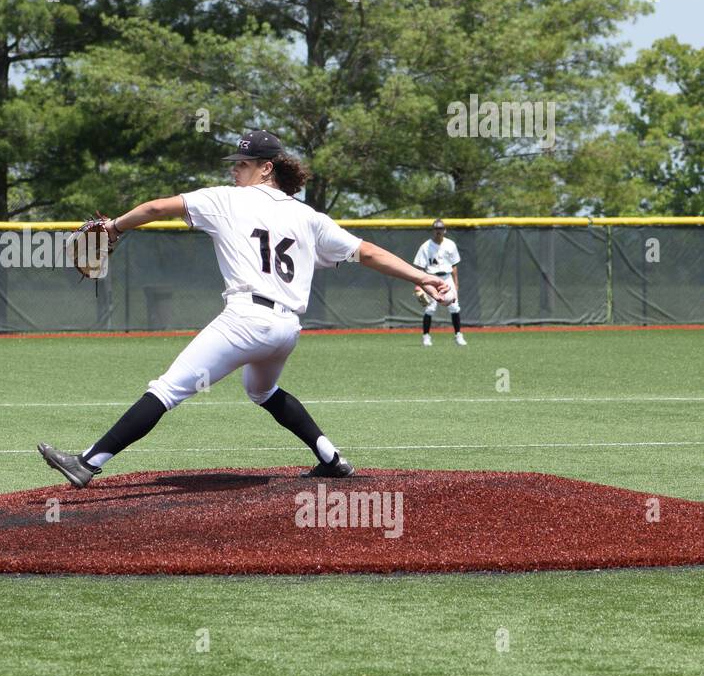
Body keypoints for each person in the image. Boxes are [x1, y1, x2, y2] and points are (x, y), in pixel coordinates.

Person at [37, 129, 452, 486]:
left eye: (243, 163)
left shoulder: (226, 200)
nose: (234, 170)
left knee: (166, 388)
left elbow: (155, 208)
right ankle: (332, 460)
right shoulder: (310, 217)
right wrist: (424, 277)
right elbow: (369, 253)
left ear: (266, 168)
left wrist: (113, 226)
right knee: (261, 390)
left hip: (245, 321)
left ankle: (88, 463)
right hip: (286, 330)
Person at [413, 218, 466, 346]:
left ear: (445, 230)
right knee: (430, 308)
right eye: (436, 229)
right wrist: (418, 285)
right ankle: (426, 336)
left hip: (447, 279)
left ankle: (458, 335)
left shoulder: (450, 245)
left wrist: (456, 283)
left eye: (441, 228)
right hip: (431, 278)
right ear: (433, 231)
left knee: (454, 307)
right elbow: (419, 268)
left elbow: (454, 266)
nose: (439, 231)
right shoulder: (426, 246)